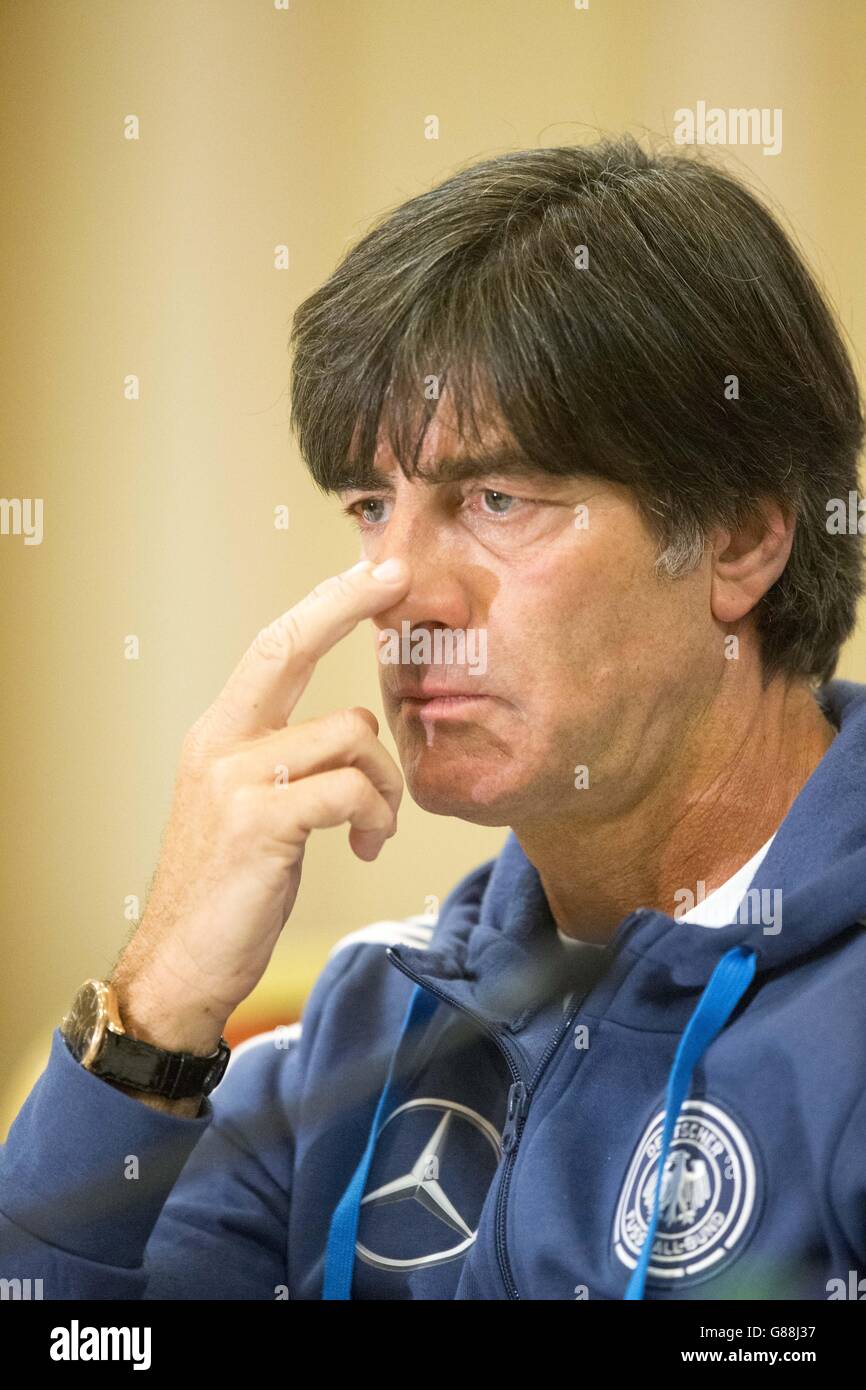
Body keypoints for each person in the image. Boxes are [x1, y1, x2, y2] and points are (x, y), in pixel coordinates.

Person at [2, 135, 865, 1301]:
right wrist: (157, 1011)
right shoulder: (362, 1030)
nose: (397, 591)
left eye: (495, 499)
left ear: (741, 536)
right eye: (370, 506)